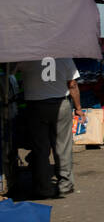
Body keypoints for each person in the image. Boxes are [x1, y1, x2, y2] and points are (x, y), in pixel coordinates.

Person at [16, 57, 83, 199]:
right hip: (60, 104)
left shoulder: (28, 55)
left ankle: (43, 188)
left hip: (36, 106)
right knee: (63, 147)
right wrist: (78, 108)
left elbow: (14, 72)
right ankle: (65, 185)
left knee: (40, 149)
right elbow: (72, 84)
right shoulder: (64, 57)